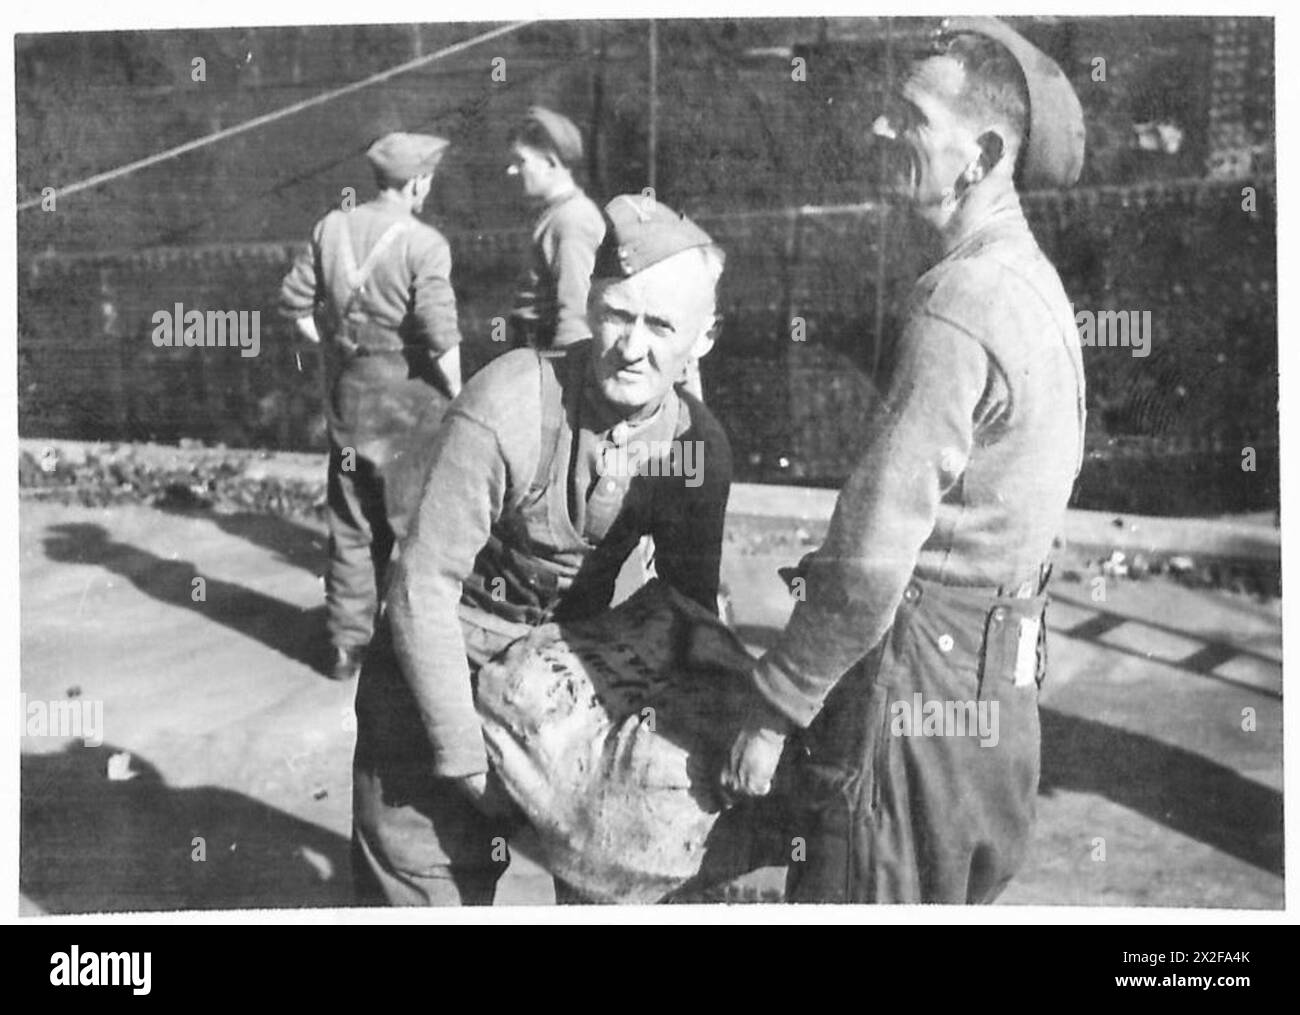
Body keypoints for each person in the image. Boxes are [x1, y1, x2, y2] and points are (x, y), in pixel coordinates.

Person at [720, 15, 1088, 904]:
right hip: (995, 694)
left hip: (917, 695)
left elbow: (877, 547)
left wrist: (777, 706)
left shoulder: (958, 303)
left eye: (912, 115)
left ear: (983, 152)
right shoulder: (1028, 282)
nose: (882, 129)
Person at [351, 194, 733, 905]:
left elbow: (685, 611)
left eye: (660, 325)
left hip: (554, 701)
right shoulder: (510, 404)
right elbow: (418, 587)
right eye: (618, 314)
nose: (632, 346)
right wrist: (463, 757)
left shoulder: (695, 448)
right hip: (433, 680)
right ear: (589, 305)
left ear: (702, 339)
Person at [279, 132, 463, 682]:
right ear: (414, 183)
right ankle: (415, 651)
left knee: (352, 522)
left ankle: (345, 647)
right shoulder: (425, 244)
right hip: (409, 401)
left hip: (351, 394)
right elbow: (439, 334)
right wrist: (459, 395)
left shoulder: (330, 228)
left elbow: (295, 303)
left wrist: (338, 348)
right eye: (427, 179)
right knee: (416, 529)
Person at [505, 106, 607, 350]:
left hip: (550, 353)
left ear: (550, 163)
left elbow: (577, 314)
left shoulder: (572, 219)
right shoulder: (555, 214)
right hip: (532, 349)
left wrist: (564, 380)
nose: (511, 171)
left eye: (520, 161)